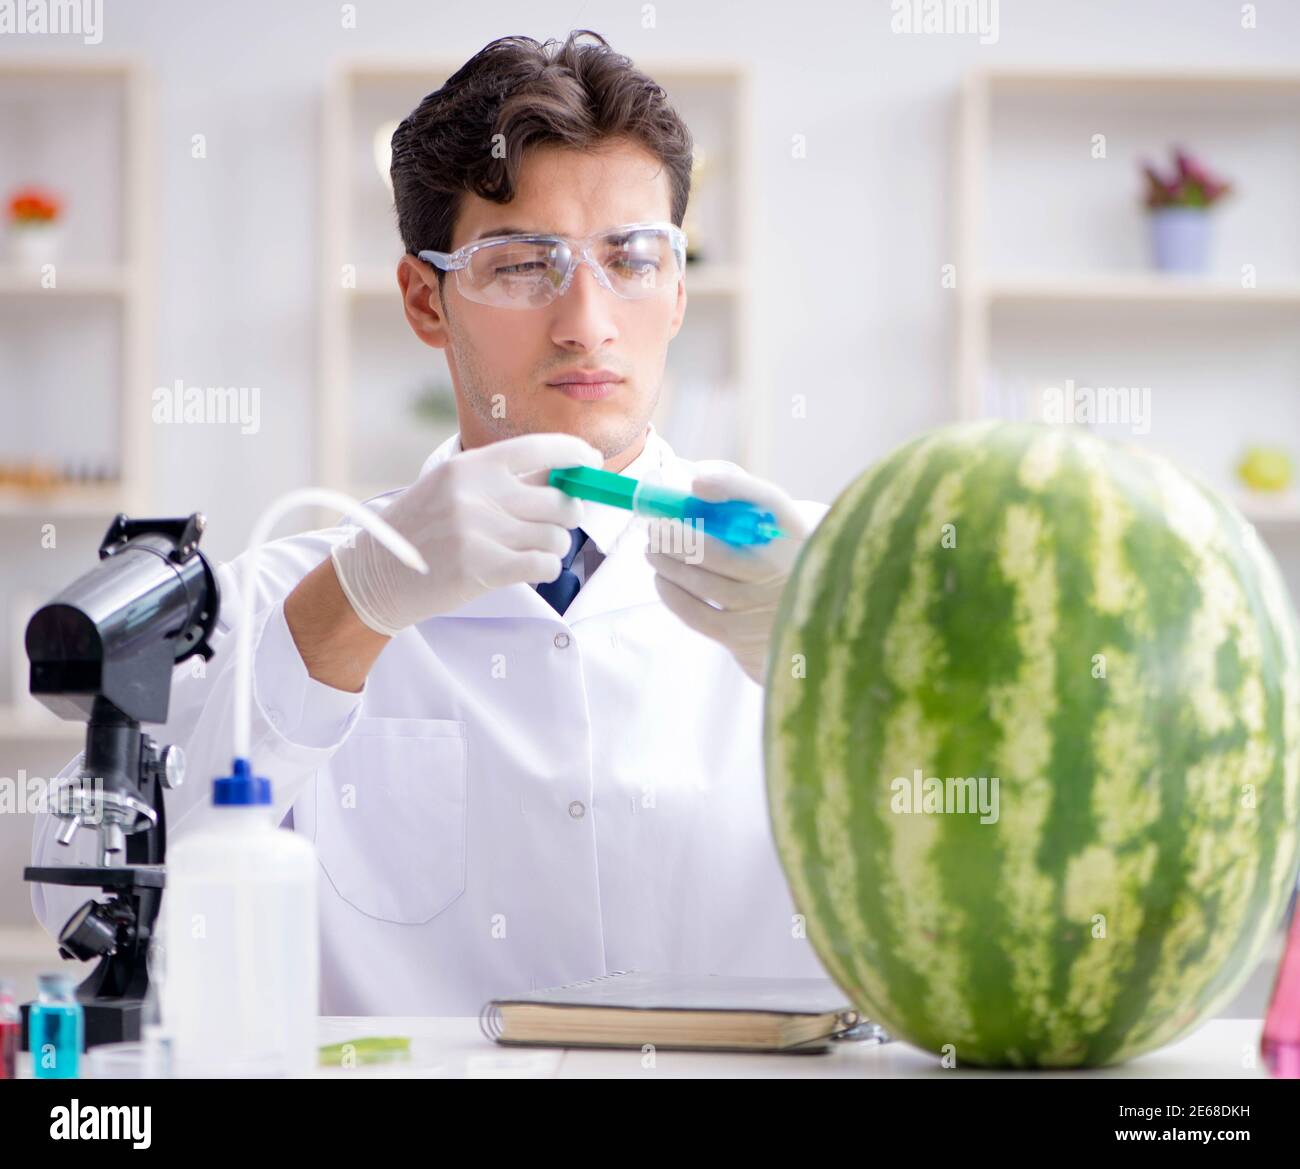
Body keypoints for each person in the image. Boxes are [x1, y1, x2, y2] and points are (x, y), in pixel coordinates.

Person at [32, 30, 831, 1016]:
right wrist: (345, 616)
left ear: (675, 287)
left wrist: (842, 672)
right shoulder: (284, 592)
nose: (587, 318)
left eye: (631, 257)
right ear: (424, 298)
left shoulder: (815, 572)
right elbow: (79, 875)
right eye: (522, 264)